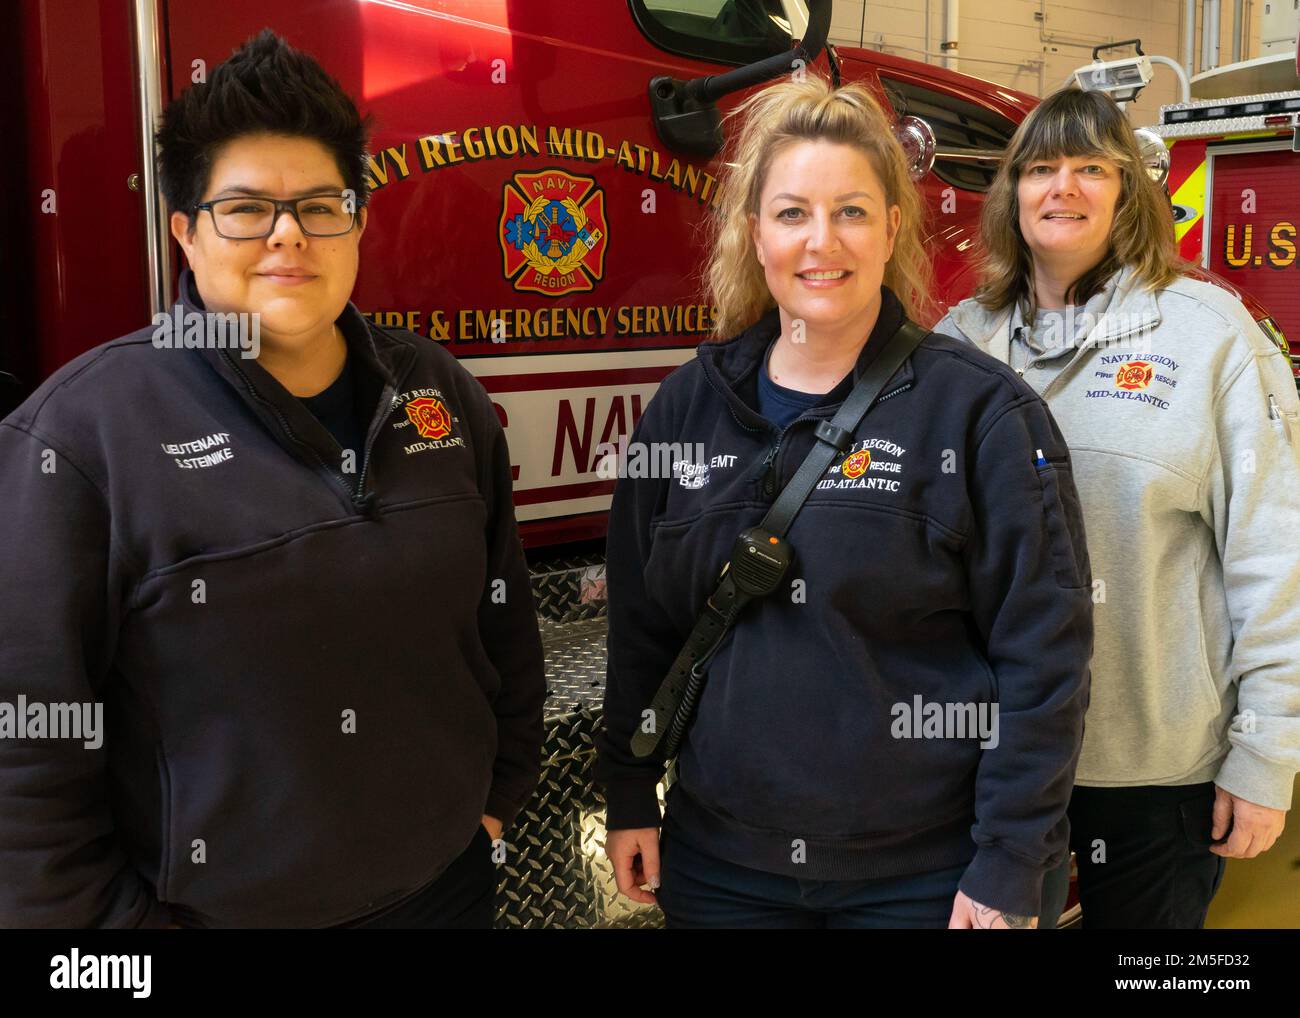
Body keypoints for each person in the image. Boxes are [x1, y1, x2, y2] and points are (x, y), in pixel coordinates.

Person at [0, 30, 545, 928]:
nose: (289, 233)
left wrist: (499, 797)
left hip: (448, 894)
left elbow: (504, 624)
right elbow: (27, 759)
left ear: (358, 221)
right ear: (184, 231)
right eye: (245, 208)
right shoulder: (78, 440)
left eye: (320, 204)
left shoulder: (439, 392)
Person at [596, 75, 1094, 929]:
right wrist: (631, 786)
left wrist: (1011, 859)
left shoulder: (981, 415)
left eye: (852, 212)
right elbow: (644, 624)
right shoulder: (686, 408)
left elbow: (1043, 657)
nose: (821, 241)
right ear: (755, 234)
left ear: (893, 228)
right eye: (792, 213)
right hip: (721, 869)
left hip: (922, 881)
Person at [936, 87, 1300, 929]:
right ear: (1012, 193)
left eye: (1089, 168)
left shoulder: (1212, 339)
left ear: (1130, 191)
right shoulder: (958, 345)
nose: (1061, 187)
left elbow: (1272, 558)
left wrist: (1265, 757)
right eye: (1038, 169)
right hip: (991, 766)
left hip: (1154, 772)